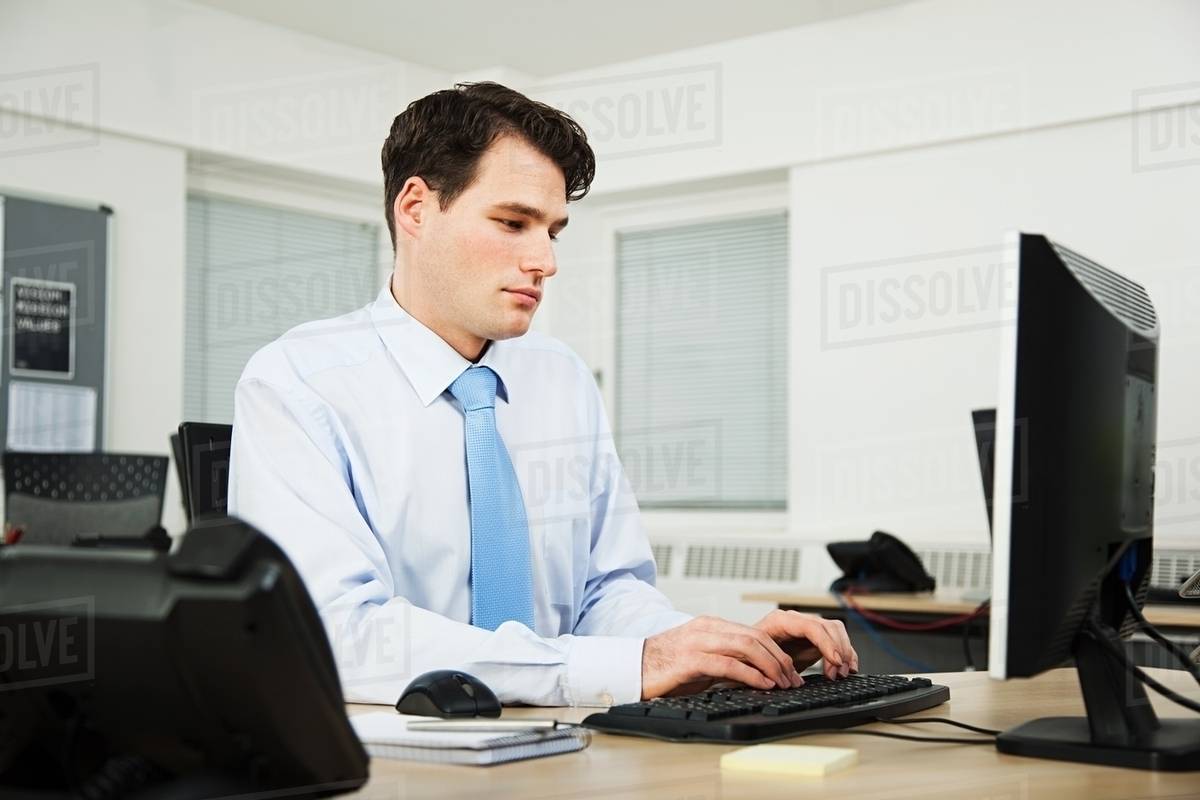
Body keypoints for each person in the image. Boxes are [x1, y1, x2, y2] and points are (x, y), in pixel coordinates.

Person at [228, 82, 858, 706]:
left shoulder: (561, 378)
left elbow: (604, 592)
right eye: (511, 222)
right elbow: (336, 634)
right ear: (416, 208)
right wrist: (605, 667)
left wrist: (712, 649)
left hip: (570, 743)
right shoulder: (296, 384)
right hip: (396, 754)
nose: (544, 261)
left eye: (552, 231)